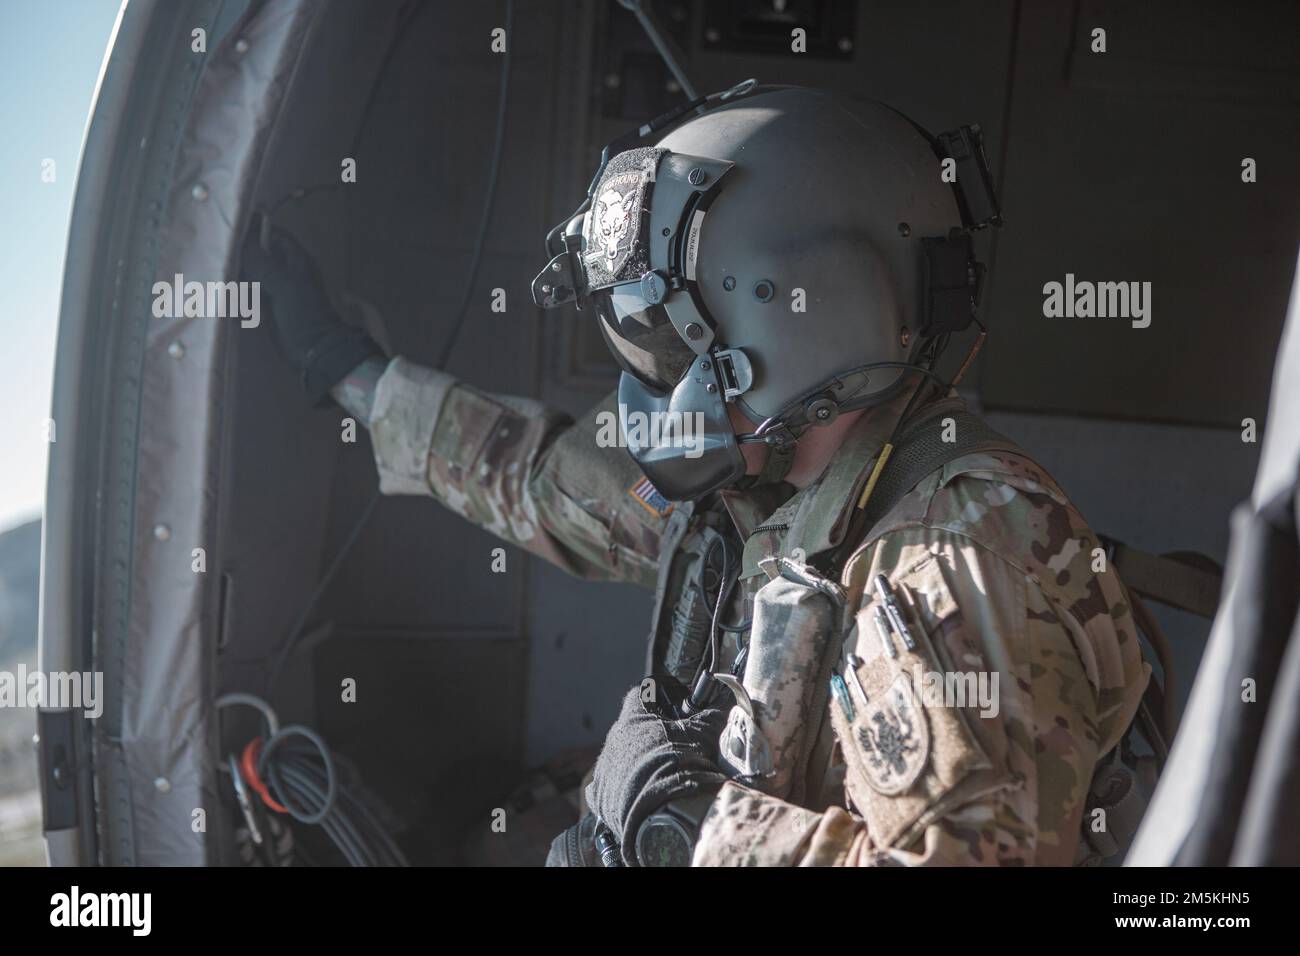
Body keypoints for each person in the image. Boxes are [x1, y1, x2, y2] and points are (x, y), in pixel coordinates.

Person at [242, 85, 1150, 866]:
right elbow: (553, 479)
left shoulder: (946, 558)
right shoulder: (774, 500)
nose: (656, 385)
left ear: (797, 314)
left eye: (676, 340)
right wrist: (346, 371)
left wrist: (686, 824)